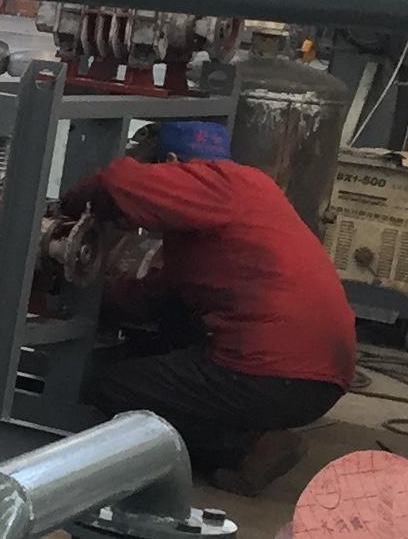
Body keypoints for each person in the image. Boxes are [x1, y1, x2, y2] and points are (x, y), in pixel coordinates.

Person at [58, 117, 359, 490]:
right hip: (321, 376)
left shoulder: (208, 183)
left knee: (109, 386)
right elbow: (164, 293)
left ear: (171, 162)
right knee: (160, 338)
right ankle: (249, 434)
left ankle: (243, 449)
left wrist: (70, 211)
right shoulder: (249, 189)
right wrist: (95, 301)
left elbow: (115, 181)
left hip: (272, 373)